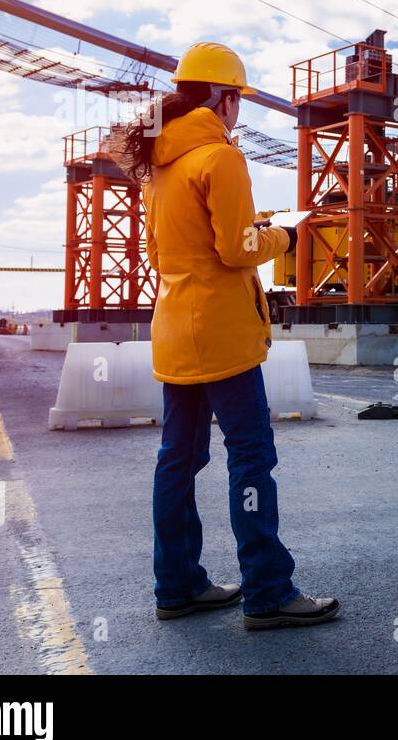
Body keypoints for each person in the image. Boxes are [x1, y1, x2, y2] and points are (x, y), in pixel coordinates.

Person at [115, 42, 339, 631]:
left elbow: (164, 252)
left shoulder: (160, 164)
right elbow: (235, 249)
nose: (239, 110)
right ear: (223, 97)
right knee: (252, 459)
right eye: (238, 99)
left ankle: (178, 585)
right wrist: (284, 237)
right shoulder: (220, 157)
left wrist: (254, 227)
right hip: (223, 335)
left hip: (175, 331)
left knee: (179, 460)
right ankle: (268, 591)